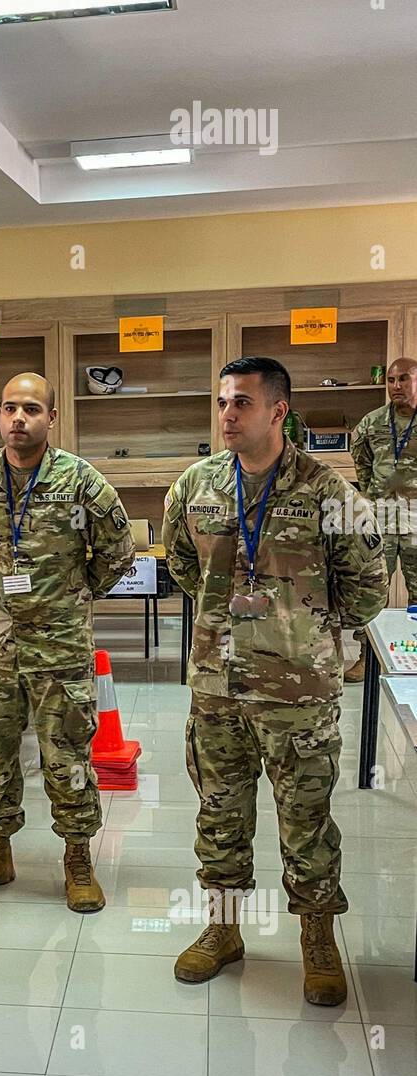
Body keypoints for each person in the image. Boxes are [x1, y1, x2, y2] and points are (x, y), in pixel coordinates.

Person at [163, 355, 388, 1006]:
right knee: (218, 812)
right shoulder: (196, 486)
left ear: (276, 411)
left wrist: (304, 628)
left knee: (305, 820)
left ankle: (316, 938)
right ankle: (222, 929)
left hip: (299, 694)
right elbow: (183, 562)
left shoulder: (328, 493)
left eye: (241, 403)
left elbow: (367, 589)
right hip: (216, 686)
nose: (227, 414)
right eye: (222, 402)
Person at [0, 373, 135, 913]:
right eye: (9, 408)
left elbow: (120, 551)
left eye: (31, 408)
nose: (18, 418)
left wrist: (76, 593)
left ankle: (78, 858)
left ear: (51, 418)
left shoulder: (82, 482)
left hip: (61, 645)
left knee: (67, 754)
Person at [345, 356, 417, 681]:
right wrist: (374, 495)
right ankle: (367, 657)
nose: (396, 386)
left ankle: (413, 656)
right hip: (382, 519)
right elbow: (360, 459)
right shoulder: (372, 423)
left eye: (403, 379)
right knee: (372, 588)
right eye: (390, 380)